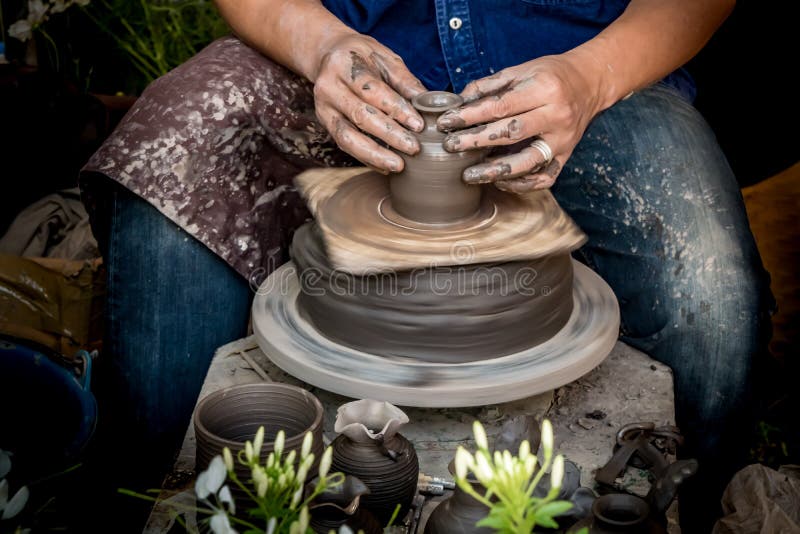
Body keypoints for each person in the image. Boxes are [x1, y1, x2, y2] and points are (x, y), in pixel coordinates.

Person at [80, 0, 773, 531]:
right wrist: (320, 45)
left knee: (708, 293)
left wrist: (591, 78)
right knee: (164, 176)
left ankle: (683, 509)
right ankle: (149, 501)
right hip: (336, 65)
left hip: (581, 74)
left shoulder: (588, 77)